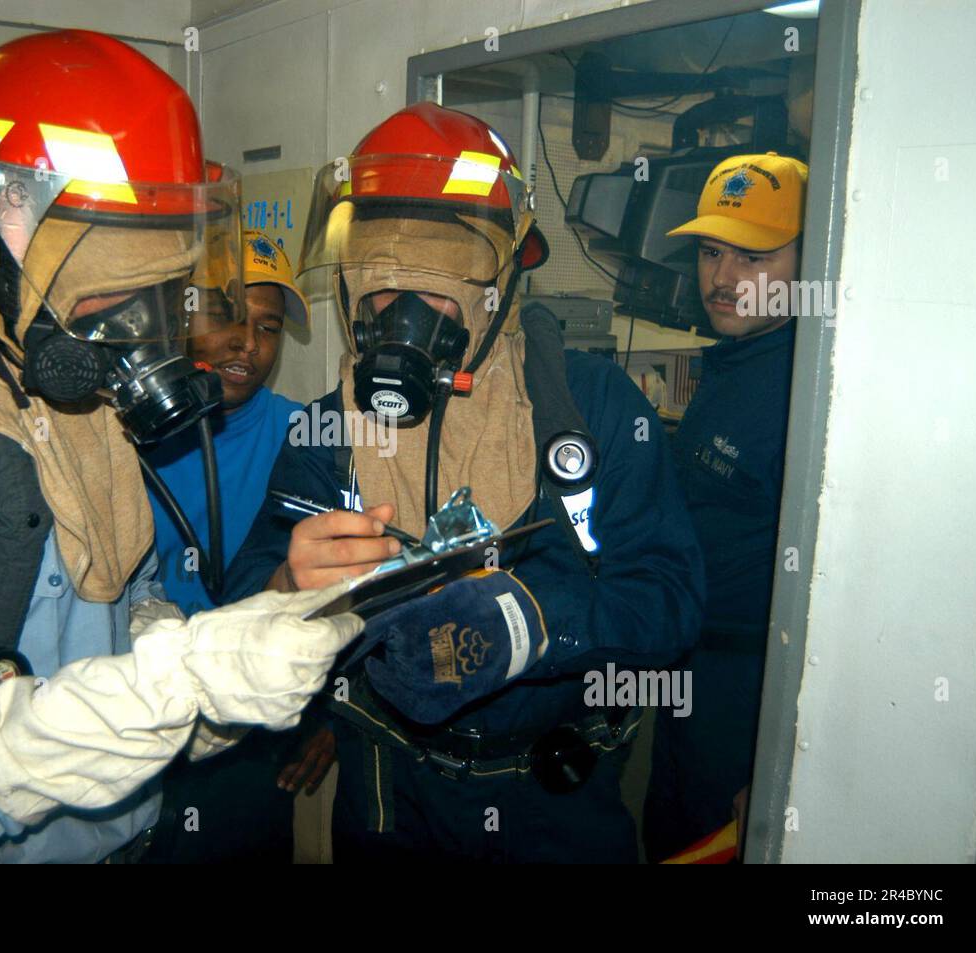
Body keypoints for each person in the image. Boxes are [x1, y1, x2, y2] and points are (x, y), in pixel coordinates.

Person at [0, 29, 360, 864]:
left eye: (164, 293)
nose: (148, 332)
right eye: (116, 294)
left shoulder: (80, 412)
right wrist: (182, 677)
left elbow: (128, 613)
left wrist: (228, 648)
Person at [224, 102, 705, 863]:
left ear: (500, 285)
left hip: (553, 799)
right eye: (380, 282)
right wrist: (285, 586)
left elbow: (672, 600)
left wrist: (536, 622)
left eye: (438, 281)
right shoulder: (325, 432)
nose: (401, 312)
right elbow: (243, 599)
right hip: (389, 792)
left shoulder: (591, 406)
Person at [141, 229, 330, 862]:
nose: (248, 343)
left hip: (250, 731)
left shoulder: (306, 436)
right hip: (135, 713)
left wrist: (333, 715)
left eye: (269, 326)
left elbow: (344, 585)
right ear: (179, 313)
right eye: (225, 315)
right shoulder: (120, 428)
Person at [643, 151, 808, 862]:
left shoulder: (813, 387)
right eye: (711, 251)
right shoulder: (733, 361)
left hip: (751, 695)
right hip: (691, 676)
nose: (722, 278)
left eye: (753, 257)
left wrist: (770, 761)